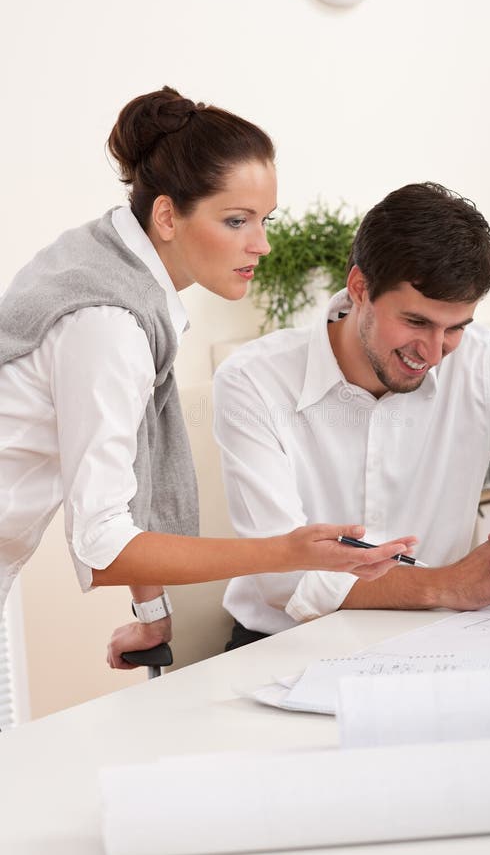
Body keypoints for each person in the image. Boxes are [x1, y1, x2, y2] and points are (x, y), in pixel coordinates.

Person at [0, 86, 403, 670]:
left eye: (264, 219)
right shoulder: (110, 323)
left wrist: (152, 611)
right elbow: (103, 545)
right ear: (167, 216)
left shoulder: (102, 258)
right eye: (236, 221)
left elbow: (126, 458)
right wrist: (285, 552)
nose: (262, 244)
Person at [213, 182, 490, 649]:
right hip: (284, 645)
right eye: (417, 322)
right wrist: (450, 584)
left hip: (438, 638)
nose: (434, 353)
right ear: (360, 288)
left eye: (455, 328)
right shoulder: (252, 381)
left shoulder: (480, 362)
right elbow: (284, 576)